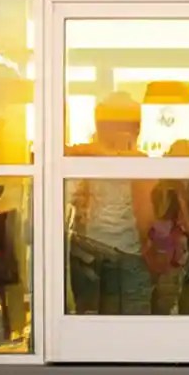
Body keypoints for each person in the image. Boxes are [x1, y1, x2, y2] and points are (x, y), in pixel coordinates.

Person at [66, 92, 159, 315]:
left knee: (92, 324)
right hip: (130, 252)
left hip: (89, 249)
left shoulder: (83, 156)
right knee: (132, 324)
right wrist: (152, 248)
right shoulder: (140, 161)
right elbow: (145, 215)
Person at [149, 140, 189, 315]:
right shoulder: (173, 189)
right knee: (171, 295)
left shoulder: (164, 187)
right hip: (173, 250)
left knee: (167, 295)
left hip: (167, 249)